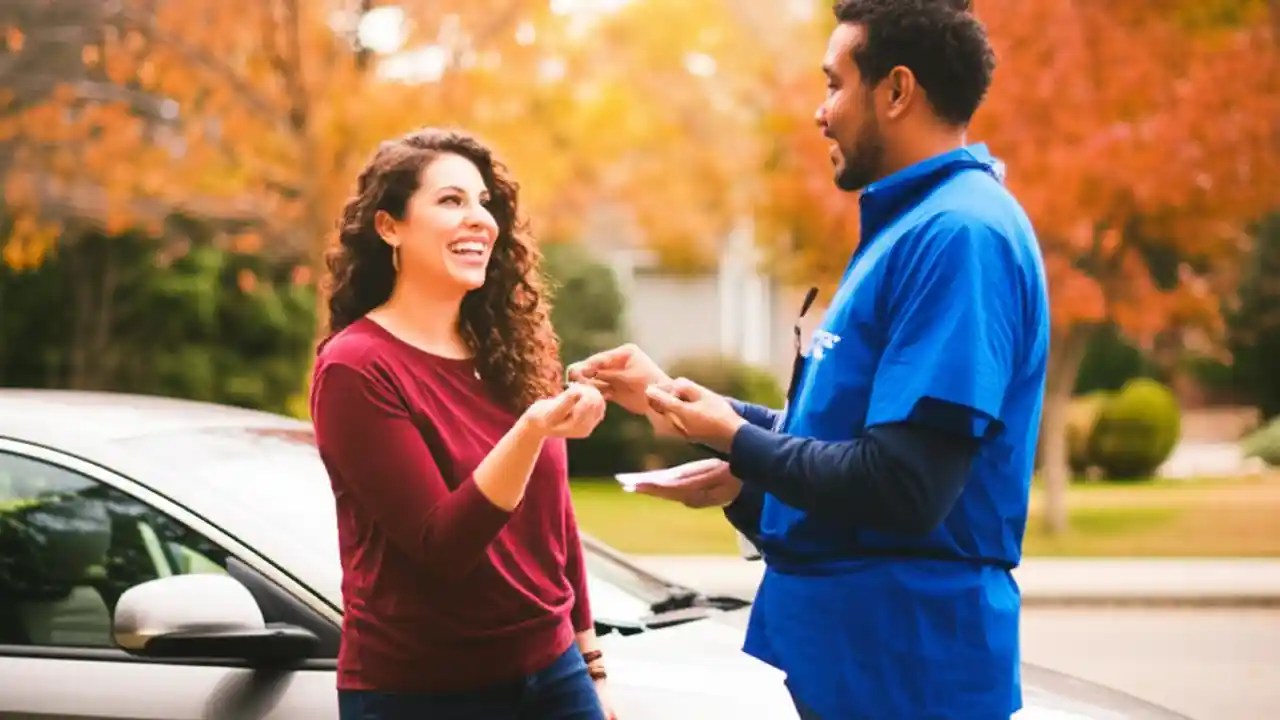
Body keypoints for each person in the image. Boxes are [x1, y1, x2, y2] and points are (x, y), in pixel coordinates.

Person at [570, 1, 1049, 718]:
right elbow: (843, 443)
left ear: (895, 91)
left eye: (833, 83)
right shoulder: (913, 225)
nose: (820, 112)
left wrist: (737, 440)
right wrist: (684, 410)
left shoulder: (958, 235)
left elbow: (903, 489)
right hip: (863, 659)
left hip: (907, 670)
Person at [310, 128, 616, 720]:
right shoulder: (356, 367)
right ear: (388, 226)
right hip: (422, 693)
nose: (479, 219)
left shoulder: (511, 352)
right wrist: (528, 433)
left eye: (484, 203)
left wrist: (590, 663)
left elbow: (555, 522)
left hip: (554, 677)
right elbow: (440, 545)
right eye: (451, 201)